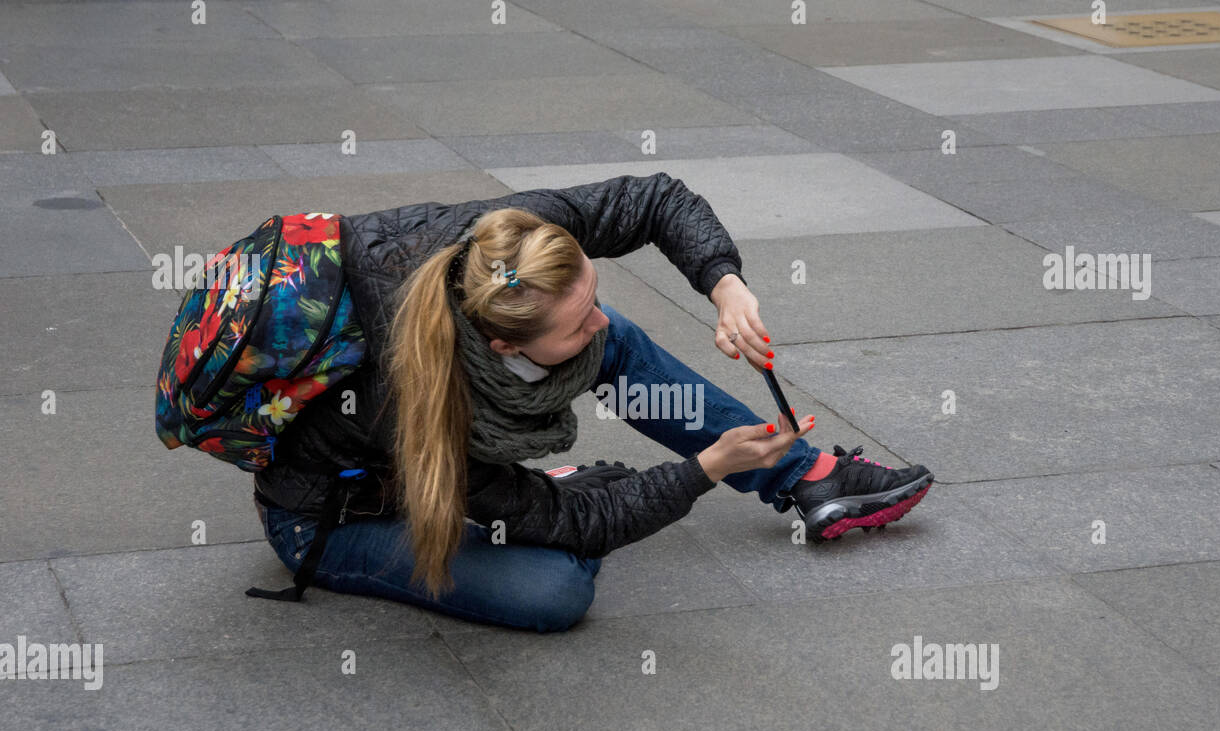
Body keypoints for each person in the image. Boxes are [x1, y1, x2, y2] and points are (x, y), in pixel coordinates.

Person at [252, 173, 932, 632]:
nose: (599, 321)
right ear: (500, 345)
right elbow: (582, 533)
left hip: (460, 445)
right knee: (555, 593)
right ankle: (548, 498)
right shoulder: (416, 407)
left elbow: (658, 199)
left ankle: (804, 476)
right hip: (332, 516)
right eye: (577, 321)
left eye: (590, 296)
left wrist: (724, 285)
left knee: (612, 344)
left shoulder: (508, 246)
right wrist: (702, 469)